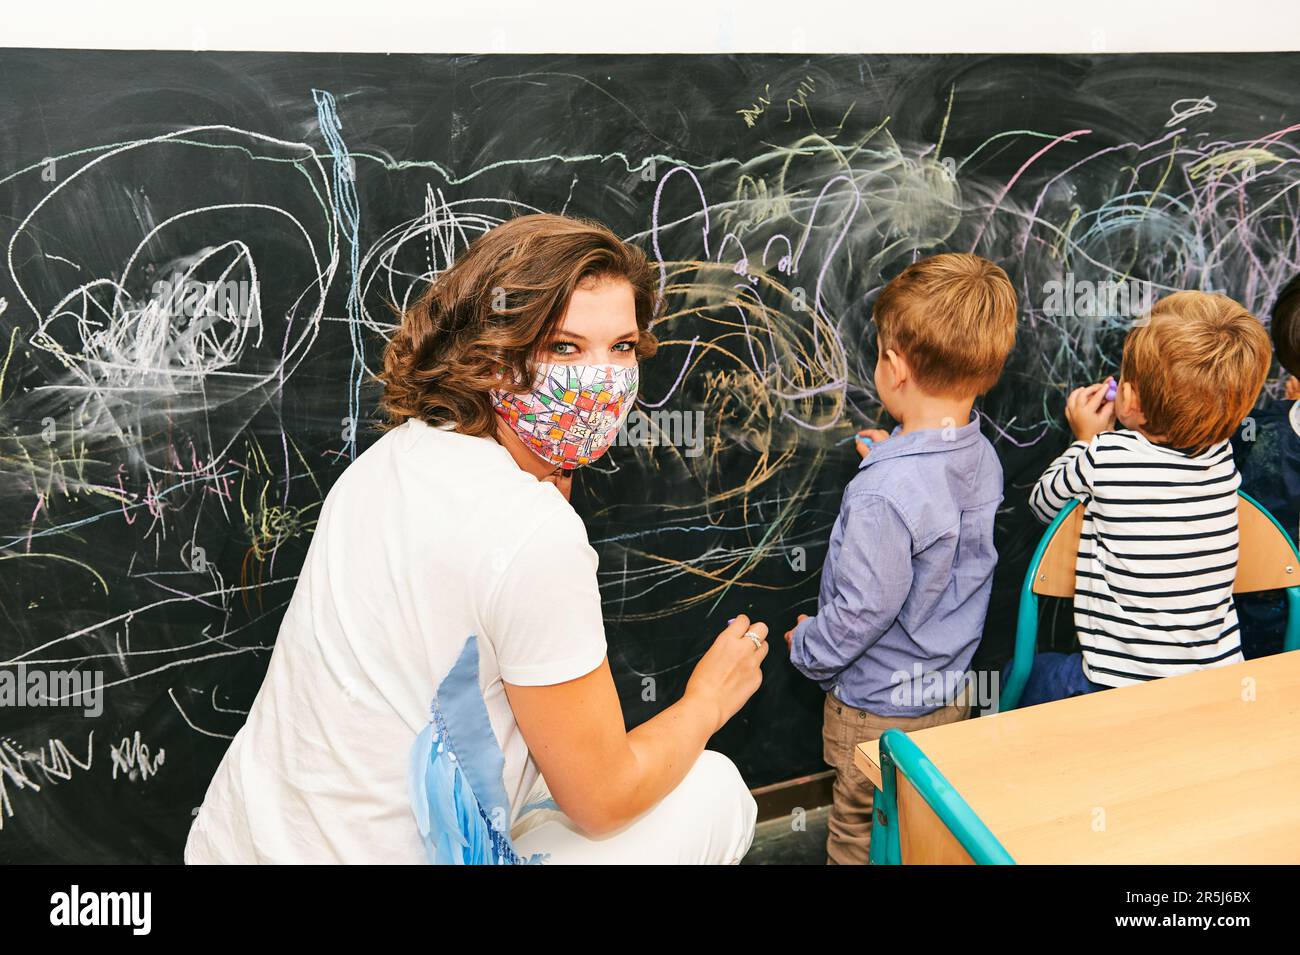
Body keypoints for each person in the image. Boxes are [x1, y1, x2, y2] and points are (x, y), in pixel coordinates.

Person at [185, 213, 764, 864]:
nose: (601, 379)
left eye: (623, 346)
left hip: (239, 846)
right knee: (716, 790)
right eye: (566, 347)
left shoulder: (394, 458)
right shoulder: (535, 535)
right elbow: (603, 800)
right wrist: (707, 700)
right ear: (492, 351)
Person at [785, 252, 1017, 864]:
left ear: (894, 366)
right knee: (922, 829)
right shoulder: (981, 458)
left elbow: (866, 609)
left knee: (858, 831)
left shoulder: (883, 495)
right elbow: (935, 527)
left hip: (878, 710)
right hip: (948, 695)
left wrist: (808, 646)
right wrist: (894, 455)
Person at [1024, 291, 1271, 705]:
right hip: (1214, 685)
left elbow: (1042, 504)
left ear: (1132, 401)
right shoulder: (1221, 456)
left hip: (1112, 684)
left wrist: (1085, 439)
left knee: (1034, 673)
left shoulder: (1107, 456)